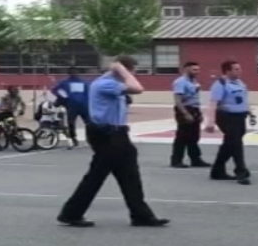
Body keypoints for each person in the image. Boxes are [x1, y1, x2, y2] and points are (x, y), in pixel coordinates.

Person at [56, 56, 169, 228]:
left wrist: (122, 72)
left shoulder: (114, 84)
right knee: (96, 175)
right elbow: (138, 88)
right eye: (133, 70)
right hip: (106, 134)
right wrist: (122, 70)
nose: (134, 74)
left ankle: (141, 215)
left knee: (129, 175)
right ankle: (70, 213)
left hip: (118, 133)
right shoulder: (105, 83)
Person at [205, 60, 256, 185]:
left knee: (229, 144)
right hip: (227, 116)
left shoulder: (240, 83)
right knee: (236, 144)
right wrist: (210, 121)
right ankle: (241, 172)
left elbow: (244, 100)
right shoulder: (220, 84)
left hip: (240, 117)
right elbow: (213, 104)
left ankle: (217, 171)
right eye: (236, 69)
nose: (240, 71)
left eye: (239, 68)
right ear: (227, 71)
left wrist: (250, 113)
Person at [169, 61, 209, 168]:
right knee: (182, 137)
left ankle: (195, 159)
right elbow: (178, 100)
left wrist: (199, 113)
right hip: (185, 109)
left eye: (198, 70)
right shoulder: (180, 82)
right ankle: (176, 160)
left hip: (194, 109)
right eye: (194, 69)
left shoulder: (194, 81)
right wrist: (185, 114)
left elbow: (195, 97)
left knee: (194, 136)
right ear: (186, 69)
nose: (197, 72)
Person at [51, 67, 89, 148]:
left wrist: (88, 101)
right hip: (71, 106)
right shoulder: (64, 82)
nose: (74, 73)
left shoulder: (84, 82)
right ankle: (73, 138)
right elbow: (54, 90)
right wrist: (63, 96)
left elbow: (89, 92)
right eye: (72, 72)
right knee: (71, 123)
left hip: (84, 106)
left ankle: (89, 138)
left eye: (75, 72)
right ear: (69, 73)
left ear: (78, 72)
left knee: (89, 123)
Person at [0, 85, 26, 150]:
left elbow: (23, 104)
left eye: (17, 90)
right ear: (10, 91)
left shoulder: (18, 97)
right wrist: (6, 107)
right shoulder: (5, 97)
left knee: (14, 124)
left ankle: (14, 136)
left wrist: (22, 110)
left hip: (8, 113)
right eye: (14, 90)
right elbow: (2, 106)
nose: (16, 91)